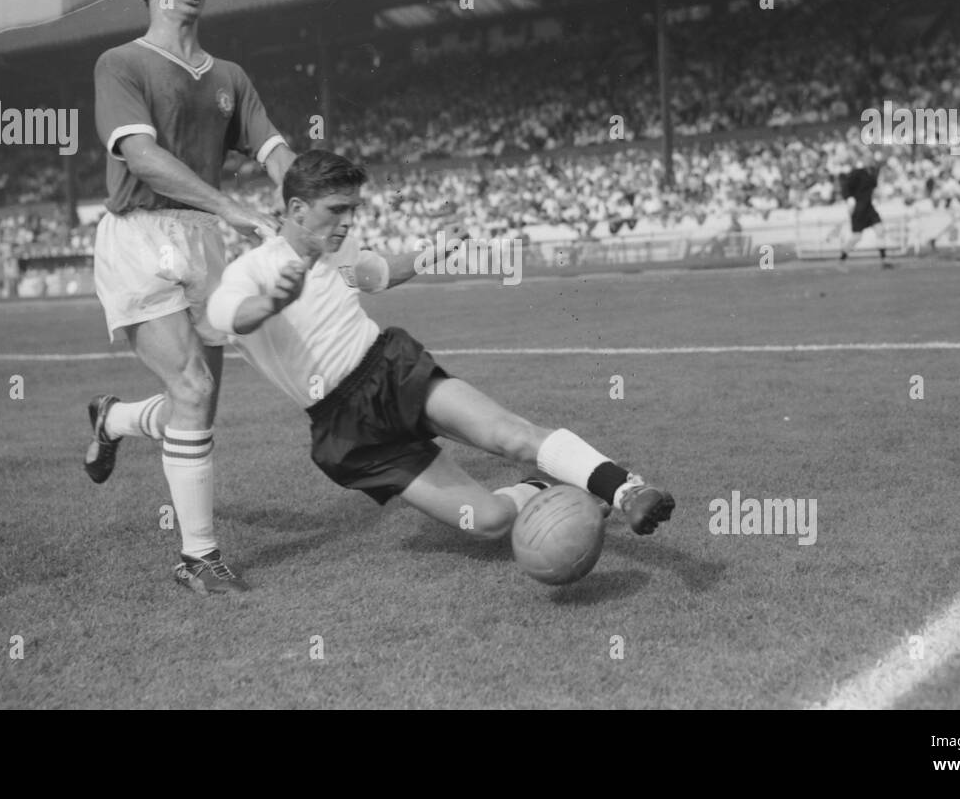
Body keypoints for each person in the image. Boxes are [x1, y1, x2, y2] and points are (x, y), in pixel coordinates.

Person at [205, 151, 675, 563]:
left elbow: (378, 273)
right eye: (337, 210)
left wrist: (437, 251)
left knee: (509, 435)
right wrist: (271, 303)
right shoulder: (252, 271)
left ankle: (627, 489)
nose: (348, 221)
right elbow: (226, 312)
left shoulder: (340, 246)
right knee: (489, 521)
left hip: (388, 369)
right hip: (344, 429)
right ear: (296, 209)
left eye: (353, 208)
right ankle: (548, 488)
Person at [83, 0, 295, 595]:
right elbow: (140, 156)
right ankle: (197, 557)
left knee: (196, 408)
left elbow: (275, 152)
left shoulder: (230, 77)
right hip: (139, 235)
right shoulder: (120, 63)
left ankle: (113, 418)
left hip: (205, 242)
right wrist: (232, 207)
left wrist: (308, 206)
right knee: (193, 393)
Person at [837, 155, 893, 269]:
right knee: (856, 237)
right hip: (859, 209)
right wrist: (849, 199)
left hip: (869, 208)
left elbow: (875, 188)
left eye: (871, 160)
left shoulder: (873, 173)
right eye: (867, 160)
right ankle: (841, 261)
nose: (869, 161)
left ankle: (884, 260)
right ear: (863, 161)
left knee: (880, 230)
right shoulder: (857, 173)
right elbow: (845, 186)